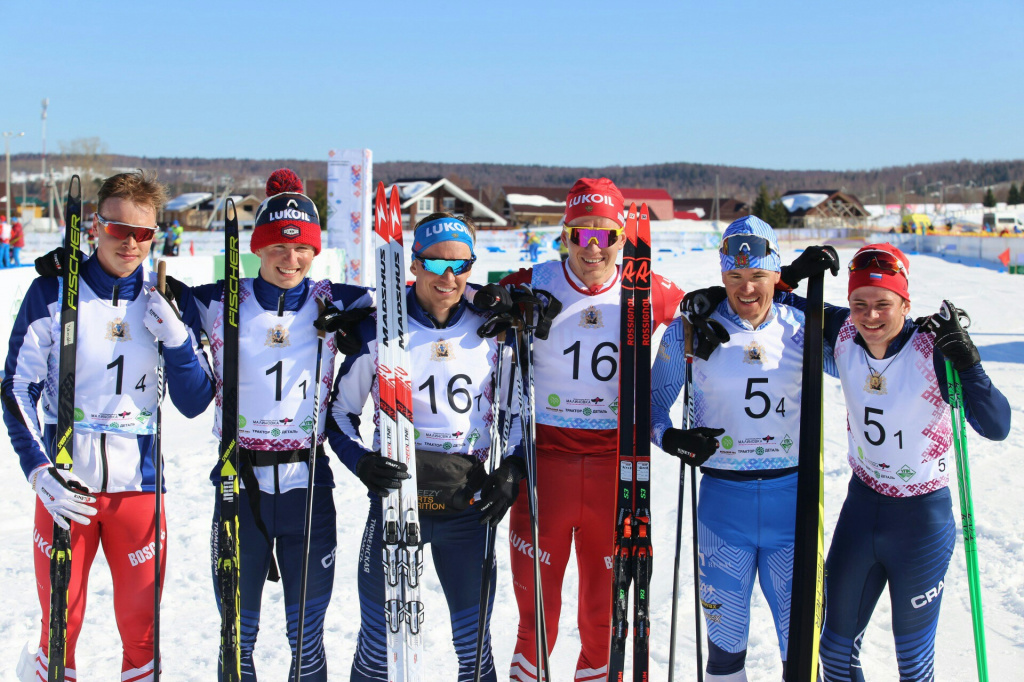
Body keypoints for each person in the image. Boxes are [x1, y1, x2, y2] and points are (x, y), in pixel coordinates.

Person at [2, 170, 214, 681]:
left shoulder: (168, 296)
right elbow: (15, 386)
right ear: (95, 227)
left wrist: (181, 343)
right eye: (119, 230)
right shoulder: (52, 292)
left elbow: (195, 402)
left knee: (142, 631)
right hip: (66, 486)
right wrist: (39, 470)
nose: (132, 243)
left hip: (138, 490)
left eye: (144, 233)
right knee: (61, 625)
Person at [783, 243, 1011, 681]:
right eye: (859, 304)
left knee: (914, 663)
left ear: (905, 302)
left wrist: (970, 363)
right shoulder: (843, 332)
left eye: (883, 305)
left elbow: (997, 426)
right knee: (832, 652)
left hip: (921, 520)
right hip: (862, 508)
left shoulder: (933, 349)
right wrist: (793, 272)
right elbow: (762, 295)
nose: (870, 317)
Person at [179, 169, 372, 681]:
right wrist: (76, 271)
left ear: (315, 251)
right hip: (238, 485)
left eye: (303, 249)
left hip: (308, 486)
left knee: (306, 642)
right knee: (235, 640)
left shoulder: (338, 300)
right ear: (258, 249)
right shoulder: (218, 301)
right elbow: (143, 295)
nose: (291, 260)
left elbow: (415, 302)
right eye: (278, 249)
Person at [501, 178, 685, 682]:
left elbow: (719, 307)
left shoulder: (648, 289)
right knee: (536, 621)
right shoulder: (532, 281)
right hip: (546, 472)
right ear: (565, 236)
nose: (593, 249)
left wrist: (779, 288)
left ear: (623, 238)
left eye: (605, 236)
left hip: (614, 472)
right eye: (580, 235)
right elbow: (456, 301)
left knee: (602, 620)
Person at [328, 211, 525, 682]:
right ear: (413, 265)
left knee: (474, 650)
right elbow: (337, 416)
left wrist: (512, 470)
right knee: (377, 646)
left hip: (467, 507)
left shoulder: (494, 331)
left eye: (461, 265)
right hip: (396, 506)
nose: (449, 277)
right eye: (436, 265)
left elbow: (518, 414)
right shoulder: (378, 332)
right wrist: (361, 461)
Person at [650, 216, 839, 681]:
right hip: (722, 510)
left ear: (776, 272)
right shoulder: (690, 331)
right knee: (726, 649)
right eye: (734, 276)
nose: (746, 288)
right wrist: (673, 438)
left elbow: (869, 365)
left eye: (757, 275)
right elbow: (650, 407)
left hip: (792, 508)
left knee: (801, 655)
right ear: (721, 275)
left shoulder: (803, 328)